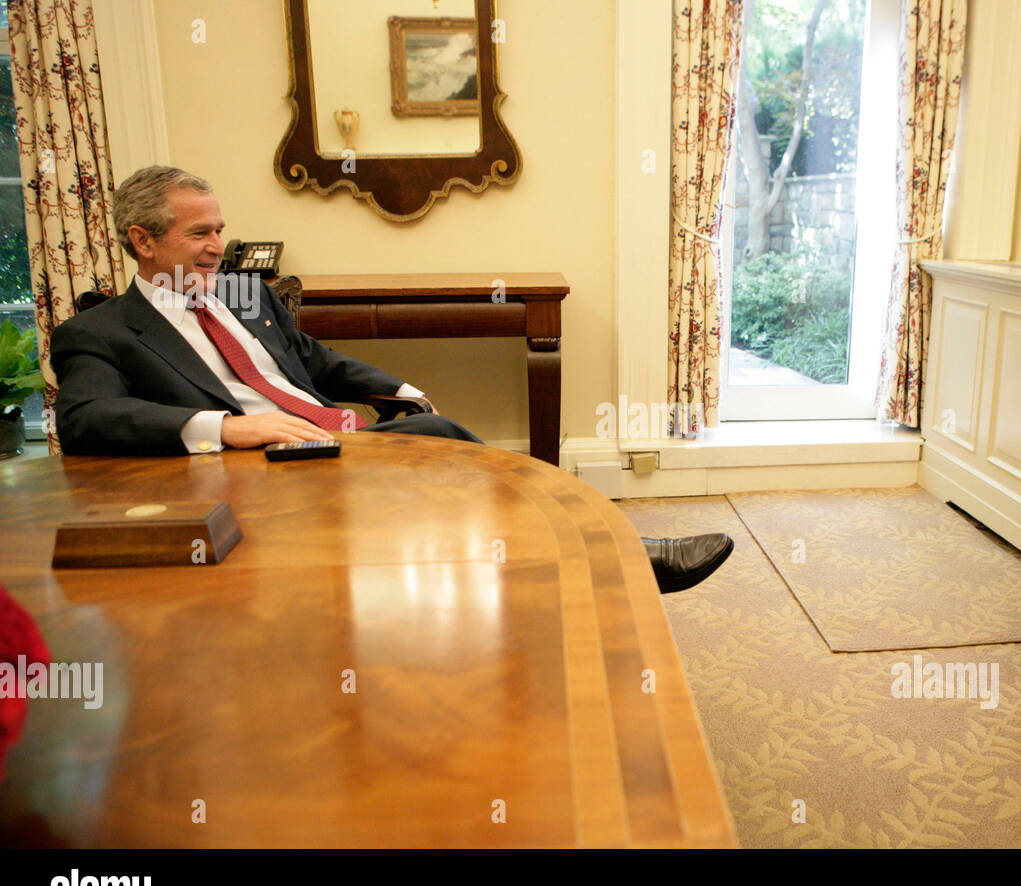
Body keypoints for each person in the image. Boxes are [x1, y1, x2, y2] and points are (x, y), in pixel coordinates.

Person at [50, 166, 733, 593]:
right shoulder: (101, 331)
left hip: (333, 443)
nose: (216, 247)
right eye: (199, 232)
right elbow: (84, 419)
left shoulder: (244, 296)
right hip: (256, 472)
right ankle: (624, 553)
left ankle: (598, 557)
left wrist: (395, 385)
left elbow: (316, 362)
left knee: (448, 453)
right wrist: (229, 426)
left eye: (220, 231)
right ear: (142, 240)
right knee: (452, 450)